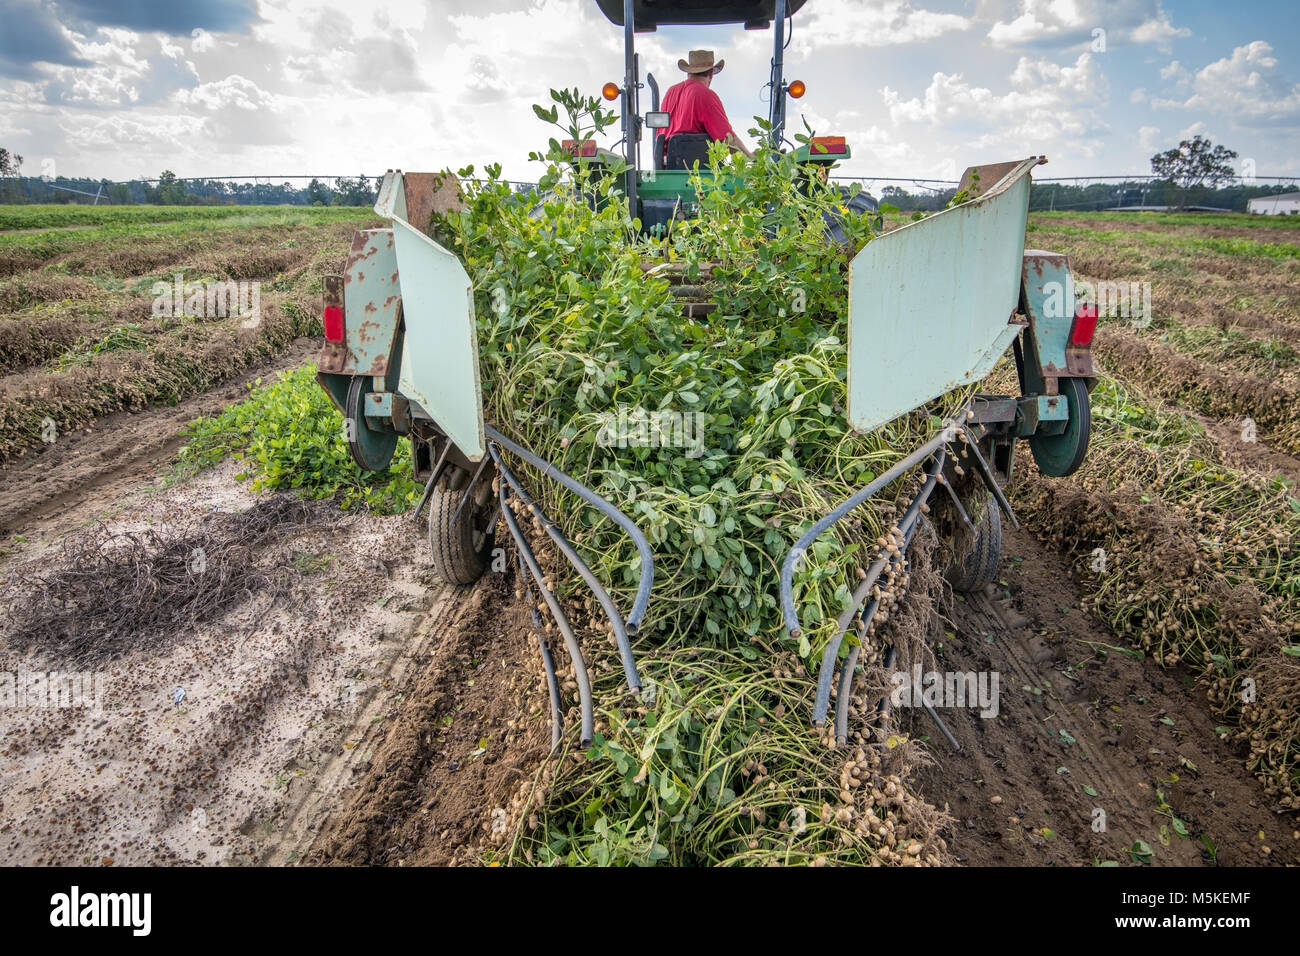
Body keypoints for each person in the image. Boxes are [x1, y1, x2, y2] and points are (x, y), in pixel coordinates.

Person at [657, 49, 753, 169]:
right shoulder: (705, 94)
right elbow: (727, 139)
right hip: (696, 169)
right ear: (711, 73)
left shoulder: (670, 92)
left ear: (688, 72)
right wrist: (750, 158)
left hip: (667, 167)